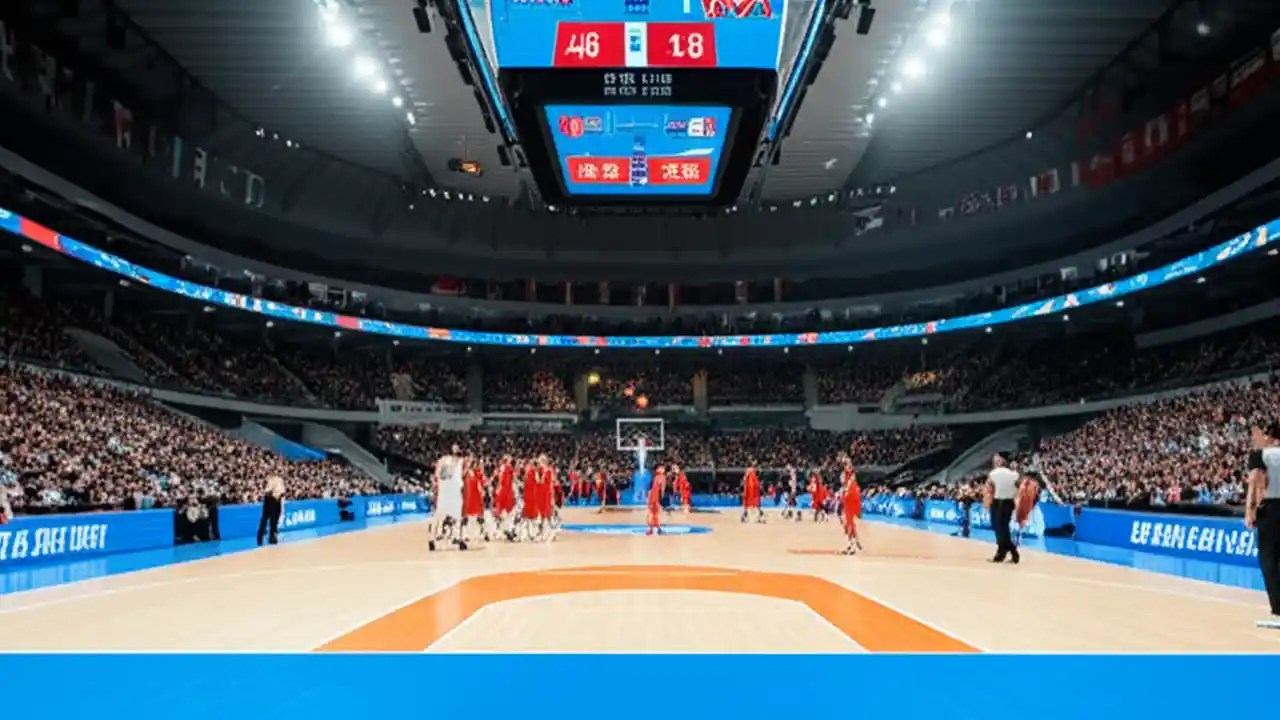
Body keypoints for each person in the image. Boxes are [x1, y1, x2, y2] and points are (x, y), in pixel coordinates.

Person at [1246, 420, 1280, 629]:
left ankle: (1278, 611)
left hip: (1270, 508)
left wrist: (1250, 511)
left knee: (1269, 560)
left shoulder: (1260, 455)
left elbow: (1255, 482)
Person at [430, 445, 467, 551]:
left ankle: (431, 539)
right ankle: (459, 539)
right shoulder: (461, 461)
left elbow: (436, 475)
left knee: (438, 516)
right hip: (454, 490)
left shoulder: (441, 461)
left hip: (444, 490)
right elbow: (462, 475)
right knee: (458, 517)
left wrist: (438, 486)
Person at [986, 453, 1020, 564]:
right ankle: (1004, 552)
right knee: (1003, 528)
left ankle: (1009, 551)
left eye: (996, 460)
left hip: (998, 502)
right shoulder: (1014, 474)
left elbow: (989, 488)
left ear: (1001, 461)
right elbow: (1018, 487)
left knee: (1000, 528)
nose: (994, 461)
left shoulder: (994, 473)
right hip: (1008, 502)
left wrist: (988, 502)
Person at [461, 460, 488, 543]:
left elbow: (482, 481)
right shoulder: (465, 473)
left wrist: (482, 491)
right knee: (465, 517)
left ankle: (484, 533)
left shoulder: (477, 473)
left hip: (476, 497)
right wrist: (466, 468)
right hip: (468, 497)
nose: (477, 466)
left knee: (479, 517)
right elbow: (462, 476)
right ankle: (464, 535)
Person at [256, 474, 285, 546]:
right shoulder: (272, 481)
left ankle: (272, 538)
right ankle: (261, 537)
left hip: (275, 502)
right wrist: (274, 496)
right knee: (266, 520)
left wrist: (278, 498)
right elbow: (268, 492)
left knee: (273, 522)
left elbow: (282, 494)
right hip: (270, 501)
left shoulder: (279, 481)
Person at [841, 461, 862, 555]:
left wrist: (845, 492)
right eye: (847, 466)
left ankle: (852, 546)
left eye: (849, 466)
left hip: (851, 503)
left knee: (849, 524)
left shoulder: (851, 479)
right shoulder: (846, 477)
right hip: (848, 503)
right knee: (847, 524)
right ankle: (853, 543)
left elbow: (851, 491)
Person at [494, 456, 517, 540]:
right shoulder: (508, 468)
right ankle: (506, 529)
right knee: (508, 511)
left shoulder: (503, 468)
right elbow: (513, 478)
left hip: (504, 490)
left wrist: (498, 488)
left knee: (502, 511)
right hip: (507, 491)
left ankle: (501, 530)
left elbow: (500, 479)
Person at [647, 465, 667, 535]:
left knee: (651, 512)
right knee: (656, 513)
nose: (663, 469)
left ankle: (650, 528)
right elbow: (662, 489)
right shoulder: (663, 477)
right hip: (656, 496)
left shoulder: (655, 477)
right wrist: (662, 497)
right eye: (662, 468)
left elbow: (651, 488)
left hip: (651, 496)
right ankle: (656, 528)